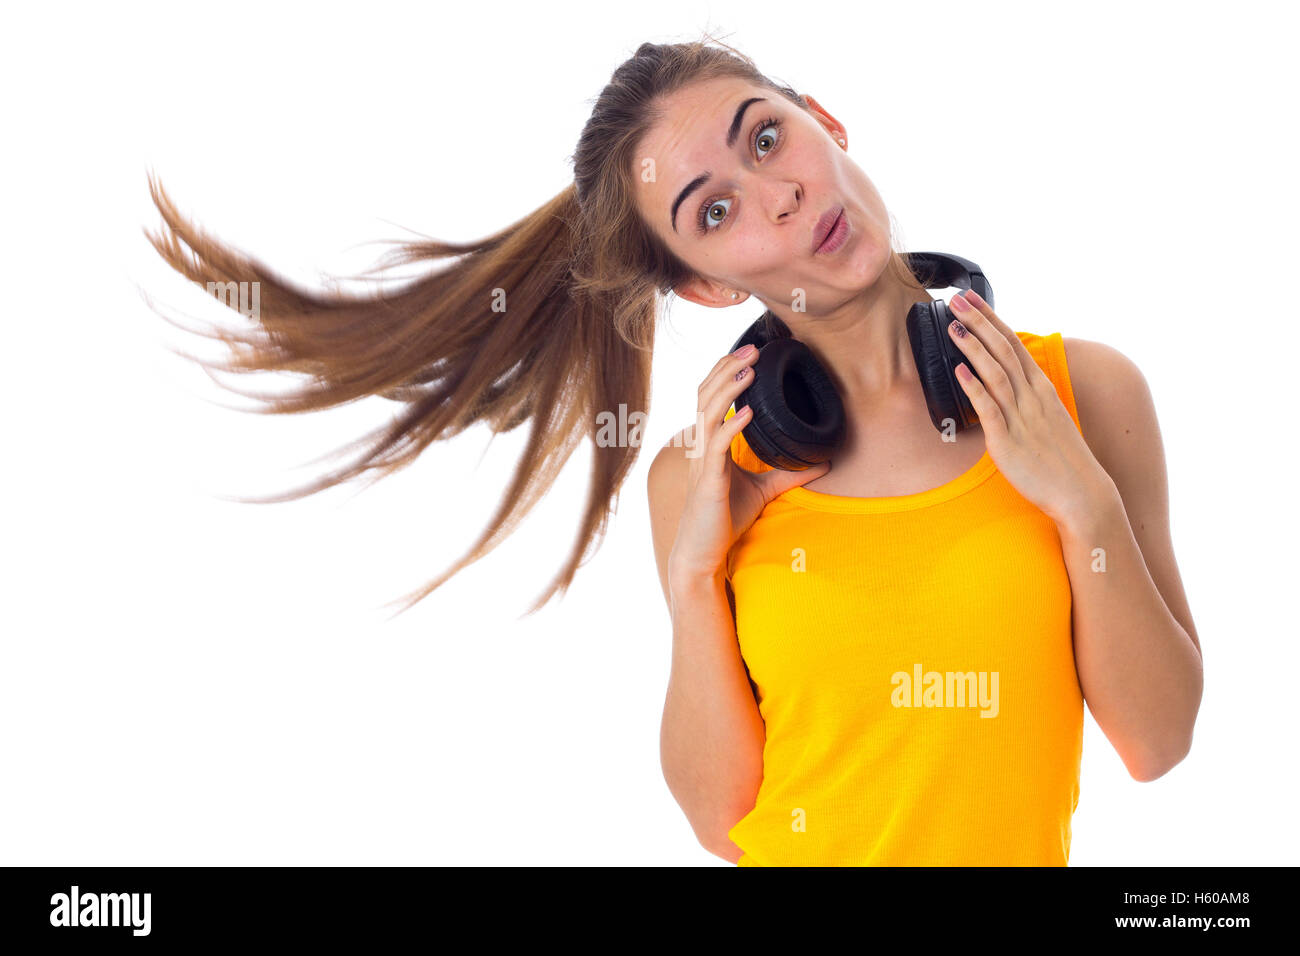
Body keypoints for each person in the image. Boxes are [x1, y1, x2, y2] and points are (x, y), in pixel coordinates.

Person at [143, 33, 1202, 865]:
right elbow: (721, 817)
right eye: (718, 209)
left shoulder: (1086, 392)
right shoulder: (705, 477)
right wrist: (696, 575)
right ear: (704, 284)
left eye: (766, 137)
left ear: (824, 119)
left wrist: (1082, 505)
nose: (779, 193)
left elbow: (1157, 742)